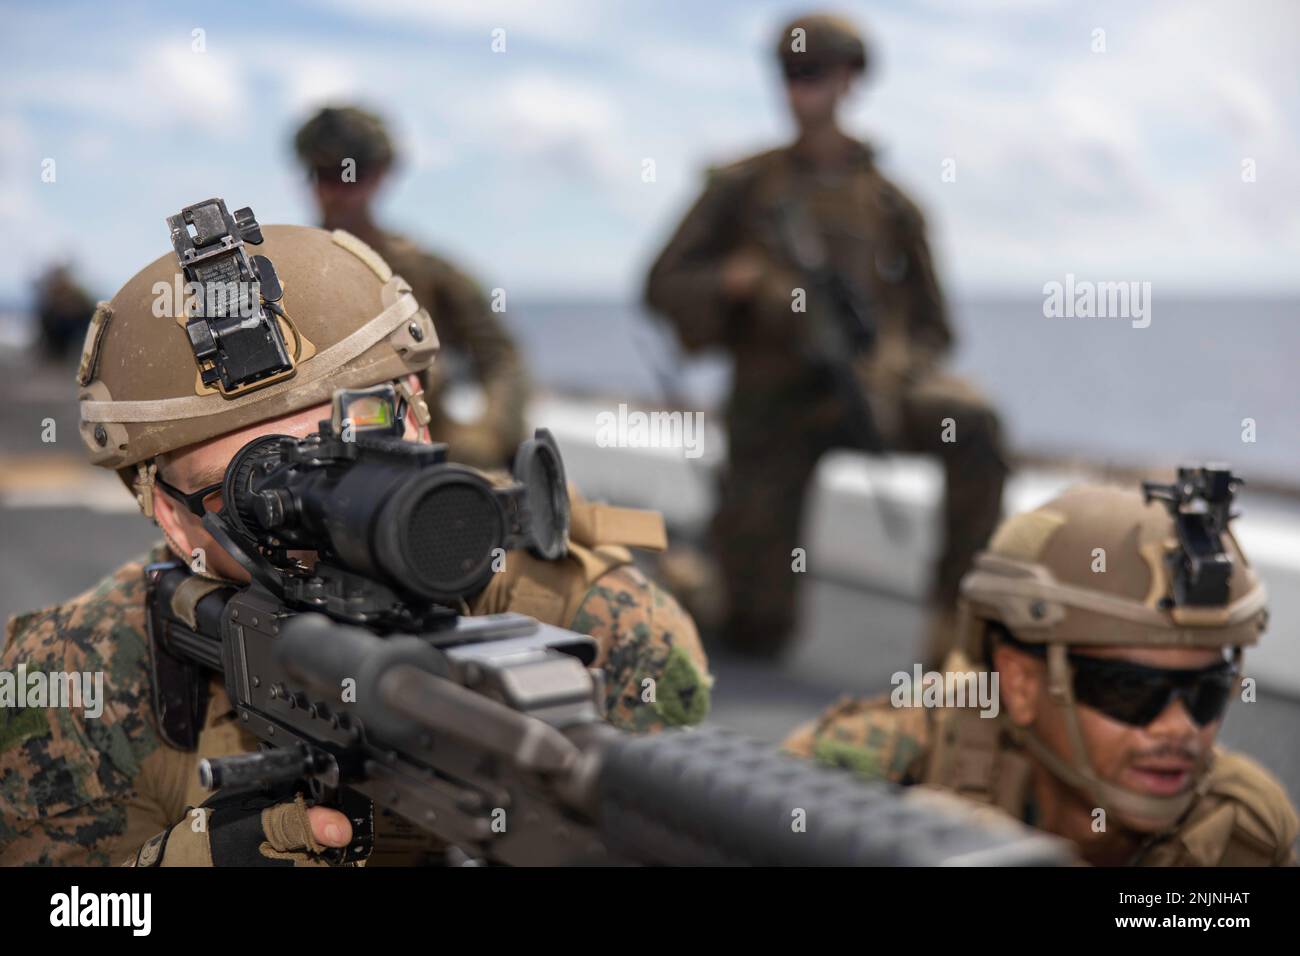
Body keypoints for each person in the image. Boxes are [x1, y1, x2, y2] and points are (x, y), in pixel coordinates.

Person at [0, 209, 710, 866]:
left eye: (357, 444)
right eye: (251, 489)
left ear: (421, 422)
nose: (321, 510)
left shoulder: (599, 626)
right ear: (173, 516)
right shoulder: (70, 673)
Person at [644, 14, 1006, 659]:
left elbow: (935, 326)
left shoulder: (893, 206)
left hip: (867, 395)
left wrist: (890, 365)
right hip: (771, 411)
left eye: (812, 74)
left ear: (849, 80)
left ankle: (957, 629)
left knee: (973, 422)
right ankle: (700, 582)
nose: (797, 91)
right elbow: (660, 285)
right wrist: (736, 281)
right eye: (788, 74)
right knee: (755, 634)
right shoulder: (741, 188)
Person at [784, 471, 1297, 865]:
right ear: (1021, 682)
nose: (1181, 727)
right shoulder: (884, 759)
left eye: (1208, 690)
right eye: (1129, 690)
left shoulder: (1246, 830)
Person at [294, 104, 528, 470]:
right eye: (325, 175)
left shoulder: (428, 273)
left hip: (418, 451)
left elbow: (501, 358)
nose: (338, 193)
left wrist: (490, 432)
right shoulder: (283, 275)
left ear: (380, 176)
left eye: (351, 175)